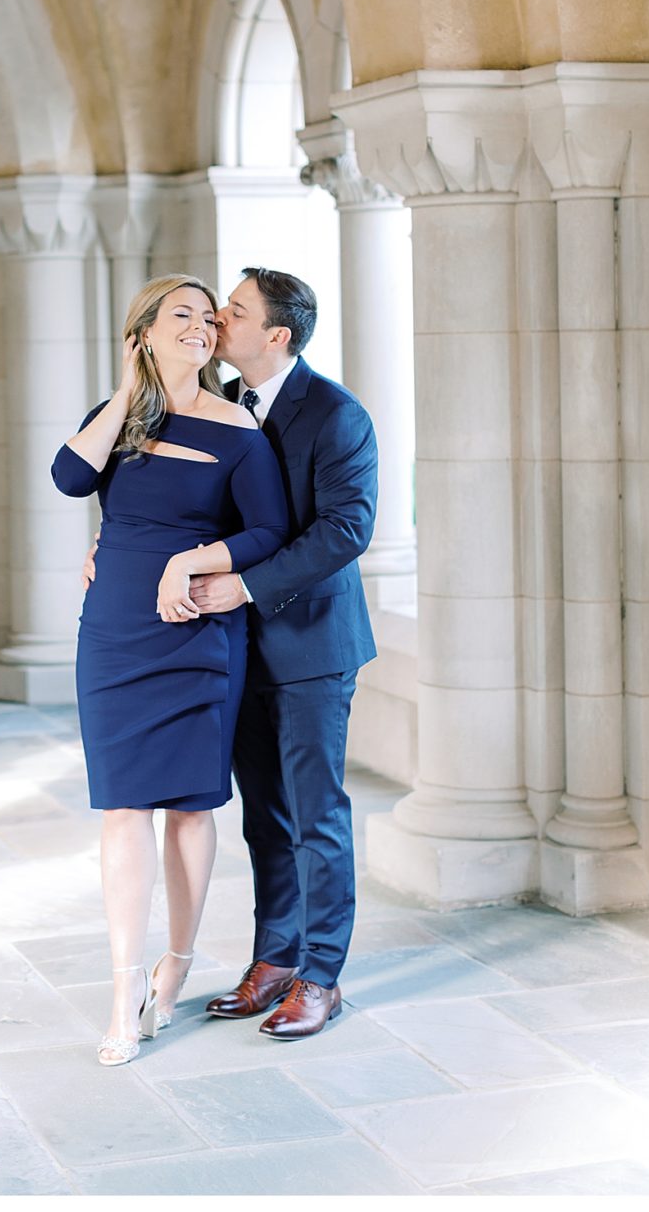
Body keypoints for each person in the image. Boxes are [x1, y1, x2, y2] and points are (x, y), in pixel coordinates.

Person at [52, 274, 288, 1066]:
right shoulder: (113, 417)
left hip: (195, 632)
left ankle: (176, 966)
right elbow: (70, 478)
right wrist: (128, 390)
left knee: (190, 808)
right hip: (114, 631)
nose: (198, 324)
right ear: (143, 332)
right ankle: (123, 994)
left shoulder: (239, 429)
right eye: (178, 314)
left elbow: (268, 531)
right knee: (121, 809)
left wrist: (193, 558)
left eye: (206, 316)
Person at [185, 268, 378, 1039]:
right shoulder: (222, 406)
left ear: (277, 335)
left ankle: (322, 976)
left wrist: (247, 588)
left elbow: (346, 530)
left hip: (311, 646)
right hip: (236, 647)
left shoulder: (337, 415)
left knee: (315, 815)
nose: (218, 321)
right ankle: (275, 958)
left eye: (235, 312)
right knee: (262, 815)